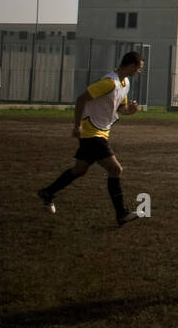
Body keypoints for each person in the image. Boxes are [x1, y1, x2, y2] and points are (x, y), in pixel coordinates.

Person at [37, 51, 144, 227]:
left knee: (79, 170)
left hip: (102, 132)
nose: (138, 72)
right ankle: (121, 214)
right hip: (92, 133)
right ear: (131, 65)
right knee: (115, 170)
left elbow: (122, 108)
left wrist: (130, 111)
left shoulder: (125, 83)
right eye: (139, 68)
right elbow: (81, 99)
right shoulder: (108, 82)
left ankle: (48, 192)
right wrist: (77, 125)